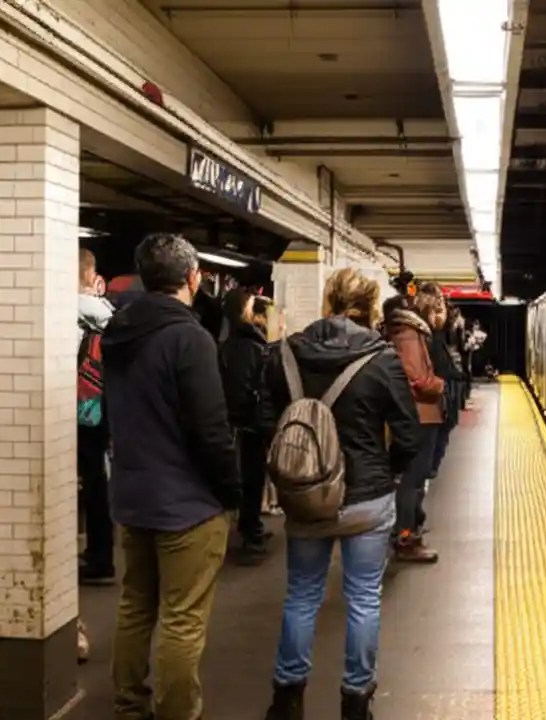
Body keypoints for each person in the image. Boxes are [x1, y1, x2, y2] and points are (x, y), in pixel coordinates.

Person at [264, 268, 419, 720]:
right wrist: (385, 472)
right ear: (372, 307)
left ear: (327, 300)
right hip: (366, 500)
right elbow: (409, 435)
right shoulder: (383, 359)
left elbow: (268, 418)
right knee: (364, 598)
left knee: (301, 596)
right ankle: (355, 702)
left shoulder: (286, 355)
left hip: (306, 496)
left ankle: (287, 700)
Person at [102, 233, 241, 720]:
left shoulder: (117, 332)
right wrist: (231, 491)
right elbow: (210, 427)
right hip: (187, 502)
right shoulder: (189, 337)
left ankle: (128, 705)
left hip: (133, 494)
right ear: (192, 277)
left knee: (136, 605)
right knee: (183, 620)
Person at [384, 285, 445, 562]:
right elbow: (417, 379)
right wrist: (440, 385)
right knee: (413, 480)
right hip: (420, 414)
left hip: (419, 414)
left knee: (413, 479)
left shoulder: (407, 333)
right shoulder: (409, 336)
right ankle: (406, 538)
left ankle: (408, 530)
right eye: (438, 308)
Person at [219, 290, 277, 565]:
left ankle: (250, 525)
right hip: (249, 424)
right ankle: (250, 531)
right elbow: (246, 388)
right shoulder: (249, 346)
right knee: (251, 479)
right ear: (245, 312)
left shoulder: (229, 344)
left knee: (251, 477)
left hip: (243, 422)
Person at [77, 248, 116, 585]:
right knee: (93, 479)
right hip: (93, 402)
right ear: (90, 274)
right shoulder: (94, 307)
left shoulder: (60, 305)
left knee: (90, 480)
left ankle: (99, 556)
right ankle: (99, 553)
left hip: (74, 404)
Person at [428, 303, 464, 482]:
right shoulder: (432, 339)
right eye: (439, 310)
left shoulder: (437, 337)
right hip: (434, 402)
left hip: (439, 400)